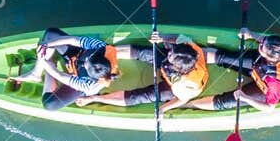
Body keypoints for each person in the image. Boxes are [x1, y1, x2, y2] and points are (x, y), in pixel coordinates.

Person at [82, 33, 214, 113]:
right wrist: (161, 39)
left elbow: (182, 99)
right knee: (144, 52)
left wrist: (163, 109)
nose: (169, 53)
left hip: (175, 89)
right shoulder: (192, 49)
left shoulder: (184, 85)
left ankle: (95, 98)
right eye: (171, 52)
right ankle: (102, 57)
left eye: (171, 55)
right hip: (176, 69)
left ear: (176, 68)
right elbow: (180, 39)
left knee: (140, 96)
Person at [18, 29, 121, 111]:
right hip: (75, 55)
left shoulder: (90, 86)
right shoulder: (100, 47)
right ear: (97, 56)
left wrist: (42, 59)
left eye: (86, 67)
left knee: (49, 105)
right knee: (50, 34)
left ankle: (49, 62)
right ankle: (36, 74)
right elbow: (73, 40)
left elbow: (60, 76)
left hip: (76, 78)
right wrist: (46, 45)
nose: (84, 64)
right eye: (87, 61)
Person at [207, 31, 280, 111]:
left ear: (268, 56)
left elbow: (270, 108)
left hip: (263, 89)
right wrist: (250, 34)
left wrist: (245, 98)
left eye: (261, 47)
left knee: (225, 101)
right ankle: (196, 55)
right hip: (259, 67)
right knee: (222, 57)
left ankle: (192, 104)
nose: (260, 44)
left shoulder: (274, 83)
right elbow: (265, 40)